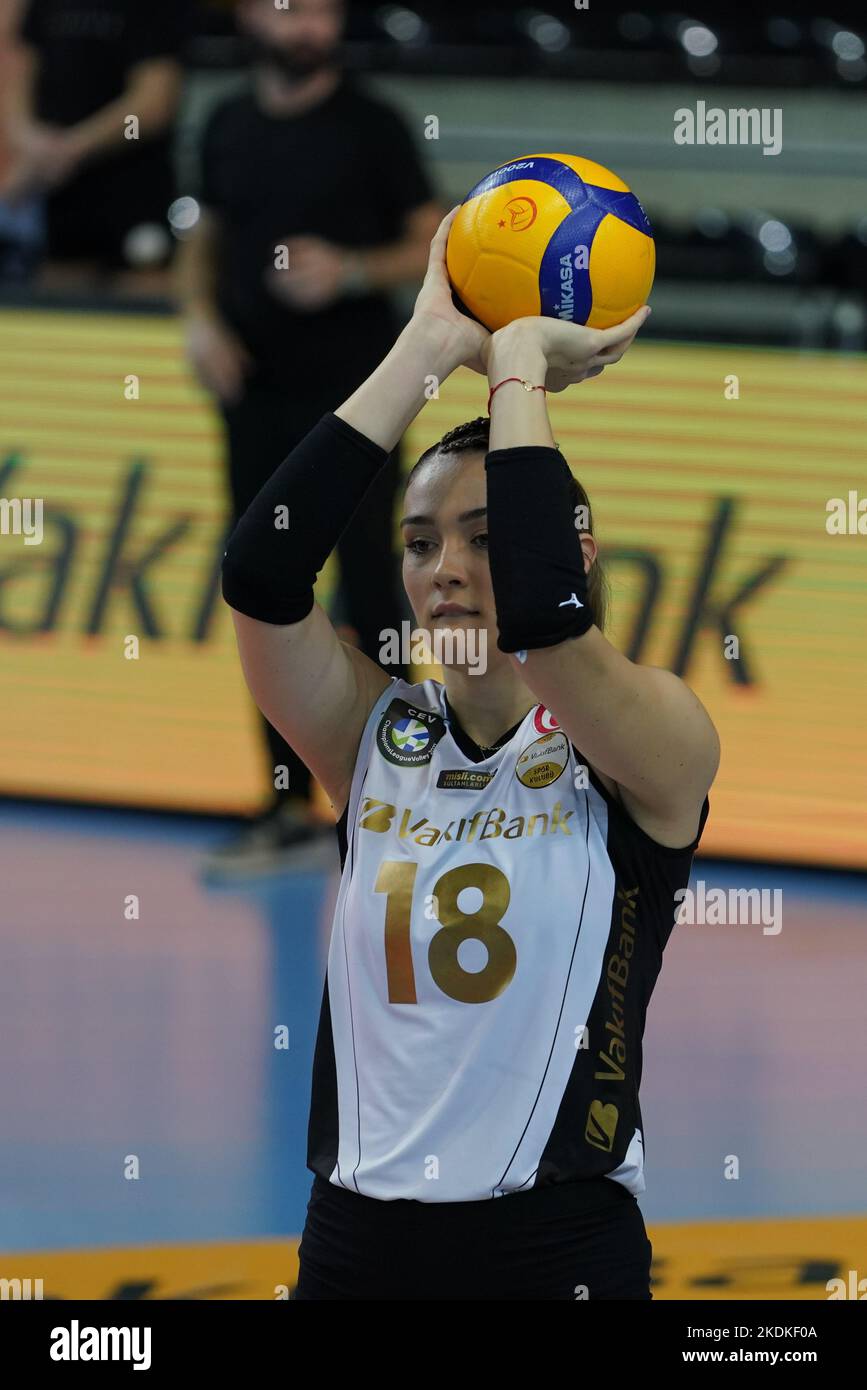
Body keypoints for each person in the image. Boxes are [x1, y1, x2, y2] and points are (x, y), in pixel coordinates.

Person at [220, 208, 720, 1300]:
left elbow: (547, 621)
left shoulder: (652, 742)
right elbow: (260, 576)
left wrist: (522, 370)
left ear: (565, 547)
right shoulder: (373, 735)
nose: (444, 568)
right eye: (420, 542)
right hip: (355, 1239)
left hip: (553, 1244)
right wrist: (424, 350)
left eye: (484, 539)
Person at [179, 0, 443, 872]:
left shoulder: (373, 127)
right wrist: (198, 318)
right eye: (292, 10)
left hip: (355, 407)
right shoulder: (225, 121)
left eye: (325, 11)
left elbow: (434, 244)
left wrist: (353, 268)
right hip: (252, 394)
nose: (310, 27)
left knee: (375, 592)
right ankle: (287, 804)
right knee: (263, 595)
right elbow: (204, 234)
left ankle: (401, 800)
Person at [3, 0, 187, 294]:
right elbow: (21, 71)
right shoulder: (44, 6)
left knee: (141, 300)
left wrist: (73, 148)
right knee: (57, 308)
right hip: (59, 192)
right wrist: (29, 137)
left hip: (132, 188)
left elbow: (153, 105)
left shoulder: (153, 8)